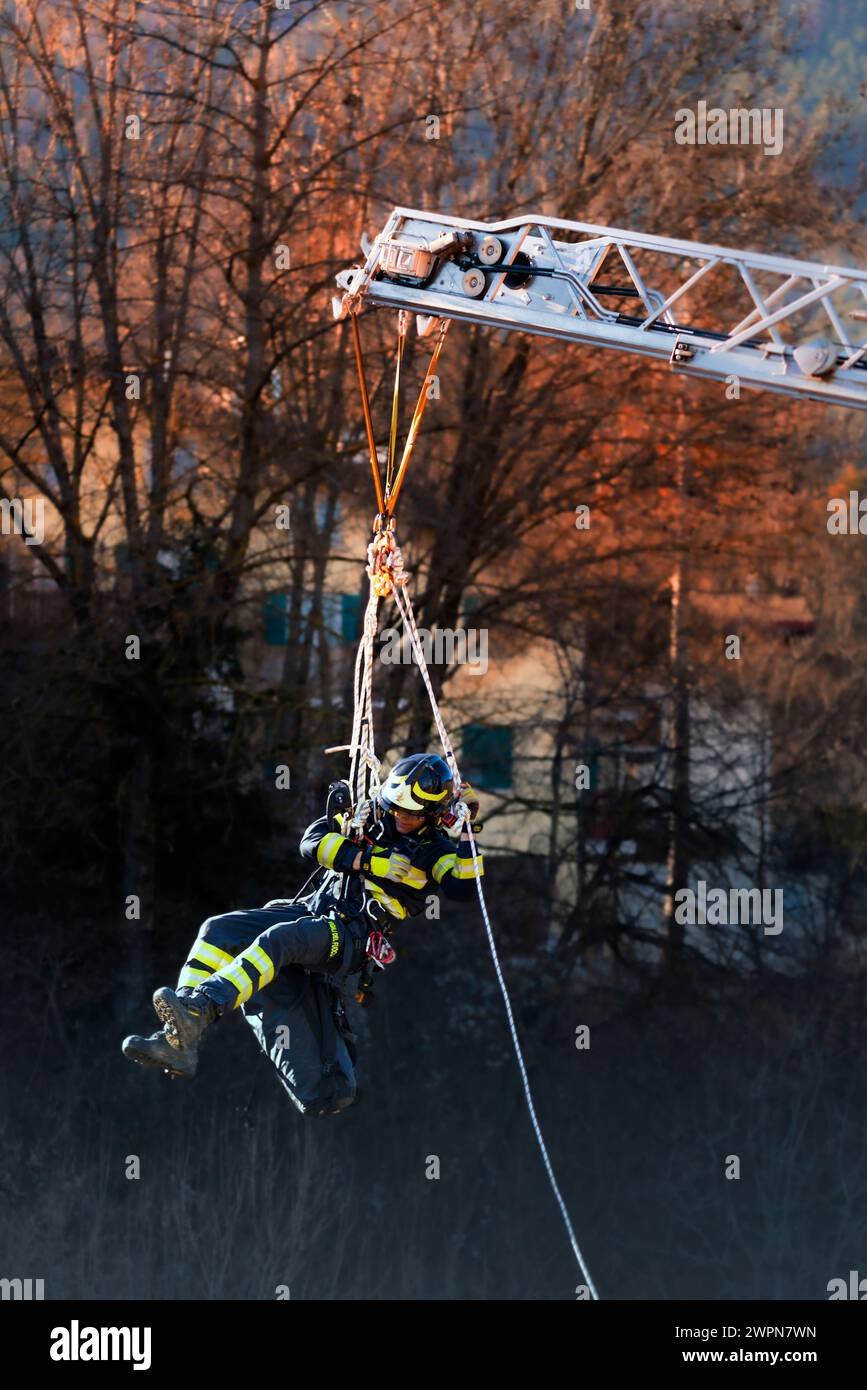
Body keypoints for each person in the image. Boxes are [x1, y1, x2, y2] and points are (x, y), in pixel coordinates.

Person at [122, 753, 483, 1117]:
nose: (401, 818)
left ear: (434, 815)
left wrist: (469, 832)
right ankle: (181, 1031)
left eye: (412, 815)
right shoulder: (371, 816)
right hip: (313, 909)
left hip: (353, 933)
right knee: (218, 928)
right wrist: (367, 860)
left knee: (282, 940)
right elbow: (313, 842)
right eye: (396, 809)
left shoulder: (435, 849)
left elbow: (464, 887)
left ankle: (204, 1007)